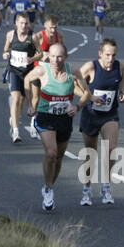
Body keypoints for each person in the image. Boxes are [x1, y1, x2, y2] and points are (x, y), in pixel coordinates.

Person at [24, 42, 91, 212]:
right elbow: (27, 79)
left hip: (64, 120)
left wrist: (77, 107)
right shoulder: (42, 70)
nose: (55, 60)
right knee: (51, 152)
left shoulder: (73, 72)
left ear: (65, 57)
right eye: (53, 56)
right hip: (45, 117)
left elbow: (86, 93)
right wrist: (30, 104)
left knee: (59, 157)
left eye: (59, 56)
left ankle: (49, 186)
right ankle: (48, 189)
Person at [77, 38, 124, 206]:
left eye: (113, 55)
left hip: (109, 115)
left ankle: (106, 187)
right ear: (100, 54)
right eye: (107, 55)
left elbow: (121, 80)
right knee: (91, 154)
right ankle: (87, 189)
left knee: (111, 149)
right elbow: (73, 82)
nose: (110, 59)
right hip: (90, 116)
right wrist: (89, 96)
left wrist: (121, 93)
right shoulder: (91, 67)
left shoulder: (120, 67)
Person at [2, 12, 38, 142]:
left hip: (28, 74)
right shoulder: (10, 35)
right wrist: (5, 54)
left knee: (22, 101)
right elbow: (5, 50)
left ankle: (14, 118)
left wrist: (32, 58)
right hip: (14, 71)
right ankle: (16, 132)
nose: (24, 26)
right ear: (16, 24)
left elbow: (40, 54)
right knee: (16, 98)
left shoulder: (33, 37)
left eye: (26, 23)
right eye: (21, 23)